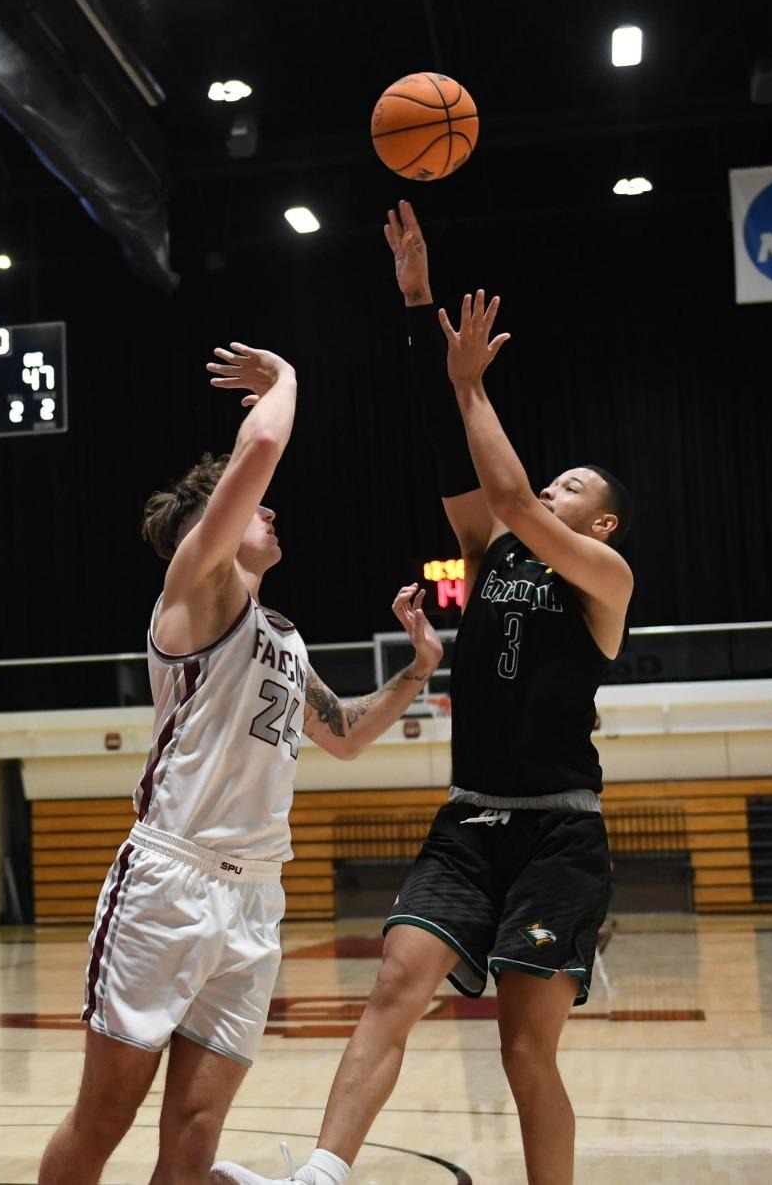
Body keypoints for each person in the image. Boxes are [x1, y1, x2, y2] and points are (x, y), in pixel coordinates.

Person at [213, 205, 633, 1185]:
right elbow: (462, 464)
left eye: (575, 485)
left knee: (523, 1051)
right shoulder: (489, 557)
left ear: (602, 522)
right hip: (466, 825)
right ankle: (321, 1174)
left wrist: (470, 380)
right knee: (392, 987)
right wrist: (415, 305)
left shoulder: (602, 583)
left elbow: (516, 495)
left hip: (556, 839)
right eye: (555, 481)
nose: (551, 489)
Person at [38, 343, 443, 1185]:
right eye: (253, 511)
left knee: (195, 1133)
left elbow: (347, 734)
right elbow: (258, 452)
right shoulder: (194, 588)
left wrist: (416, 670)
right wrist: (290, 379)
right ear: (209, 526)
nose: (270, 514)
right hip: (170, 880)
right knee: (105, 1115)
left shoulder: (282, 637)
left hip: (256, 892)